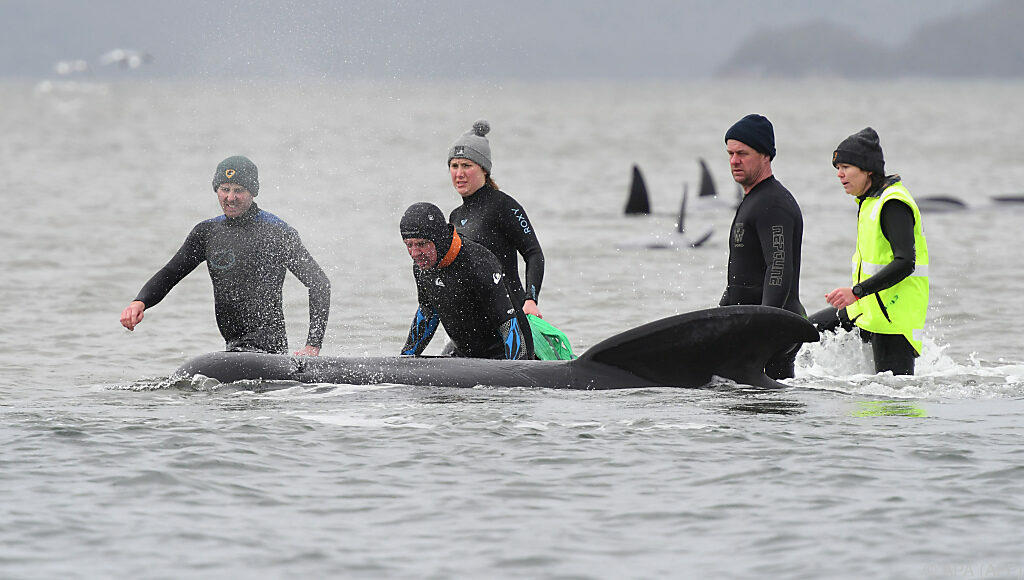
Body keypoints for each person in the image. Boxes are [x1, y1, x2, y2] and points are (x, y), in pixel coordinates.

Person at [120, 155, 331, 356]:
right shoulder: (207, 233)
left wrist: (313, 345)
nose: (231, 198)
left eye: (239, 190)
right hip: (233, 348)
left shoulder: (277, 232)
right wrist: (140, 302)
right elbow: (171, 272)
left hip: (269, 351)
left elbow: (319, 283)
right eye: (224, 189)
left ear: (253, 192)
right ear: (216, 190)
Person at [811, 127, 930, 375]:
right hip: (866, 309)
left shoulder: (893, 203)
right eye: (837, 169)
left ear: (867, 169)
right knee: (803, 332)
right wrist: (858, 296)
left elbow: (906, 262)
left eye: (846, 167)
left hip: (893, 321)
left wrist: (857, 291)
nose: (840, 175)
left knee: (890, 403)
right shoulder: (869, 201)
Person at [720, 114, 806, 379]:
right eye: (730, 153)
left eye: (742, 153)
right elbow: (744, 272)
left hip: (772, 331)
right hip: (755, 326)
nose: (734, 161)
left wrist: (765, 327)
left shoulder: (773, 205)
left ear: (765, 155)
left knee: (768, 413)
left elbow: (778, 266)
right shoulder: (754, 200)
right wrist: (721, 314)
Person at [399, 202, 533, 360]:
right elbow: (428, 313)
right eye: (409, 245)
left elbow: (507, 324)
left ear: (439, 238)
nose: (414, 253)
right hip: (463, 357)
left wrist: (517, 369)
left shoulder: (478, 263)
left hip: (502, 357)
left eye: (421, 244)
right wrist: (405, 360)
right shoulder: (422, 268)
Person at [446, 120, 545, 318]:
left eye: (467, 165)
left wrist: (531, 300)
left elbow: (534, 253)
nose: (459, 173)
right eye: (454, 165)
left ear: (484, 169)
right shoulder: (455, 216)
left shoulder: (503, 205)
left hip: (511, 315)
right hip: (478, 322)